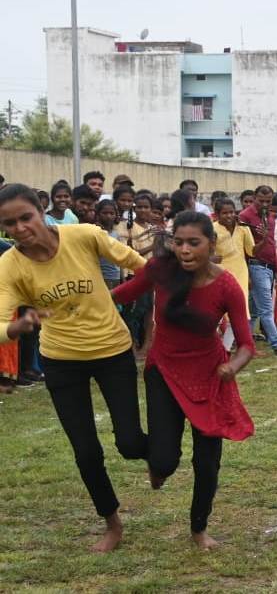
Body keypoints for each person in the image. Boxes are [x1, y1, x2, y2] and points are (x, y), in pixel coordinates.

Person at [0, 184, 149, 552]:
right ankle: (112, 524)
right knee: (85, 451)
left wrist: (169, 283)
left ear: (42, 211)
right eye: (8, 224)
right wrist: (14, 328)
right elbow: (0, 322)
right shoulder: (10, 266)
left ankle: (157, 456)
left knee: (130, 442)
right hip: (62, 361)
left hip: (112, 350)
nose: (19, 228)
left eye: (25, 217)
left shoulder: (83, 235)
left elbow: (139, 264)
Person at [110, 211, 255, 550]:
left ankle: (199, 529)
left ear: (211, 244)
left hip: (209, 377)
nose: (185, 250)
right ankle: (157, 464)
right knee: (164, 461)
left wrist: (232, 366)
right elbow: (122, 294)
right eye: (179, 243)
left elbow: (247, 344)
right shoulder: (160, 271)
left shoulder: (226, 285)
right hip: (163, 371)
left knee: (207, 461)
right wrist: (80, 302)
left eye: (194, 243)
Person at [237, 186, 277, 360]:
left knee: (254, 312)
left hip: (268, 267)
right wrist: (246, 272)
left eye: (268, 201)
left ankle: (246, 347)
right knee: (266, 310)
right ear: (254, 197)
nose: (264, 204)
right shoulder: (245, 217)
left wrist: (275, 267)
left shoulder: (269, 217)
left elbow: (271, 244)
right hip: (256, 266)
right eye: (261, 200)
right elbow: (243, 246)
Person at [211, 199, 254, 349]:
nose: (229, 216)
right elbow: (203, 251)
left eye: (231, 212)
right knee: (215, 312)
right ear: (217, 214)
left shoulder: (243, 228)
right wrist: (210, 258)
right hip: (218, 273)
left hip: (240, 273)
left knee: (239, 312)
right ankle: (210, 347)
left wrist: (266, 237)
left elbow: (252, 251)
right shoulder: (211, 229)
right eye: (225, 213)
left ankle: (225, 349)